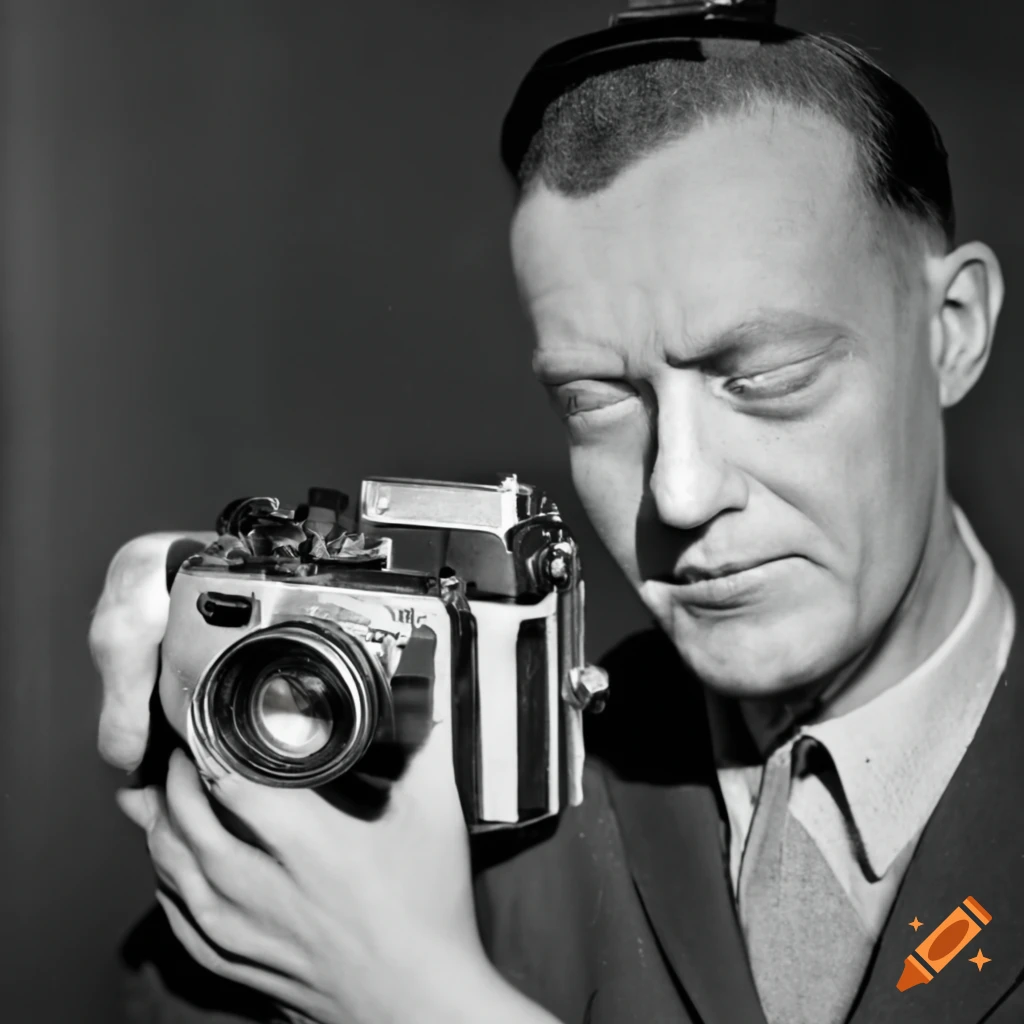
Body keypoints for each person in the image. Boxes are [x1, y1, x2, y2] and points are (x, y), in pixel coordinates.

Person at [88, 5, 1024, 1024]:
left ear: (952, 332)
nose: (677, 490)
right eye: (593, 400)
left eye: (765, 375)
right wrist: (227, 760)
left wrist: (422, 999)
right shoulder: (472, 787)